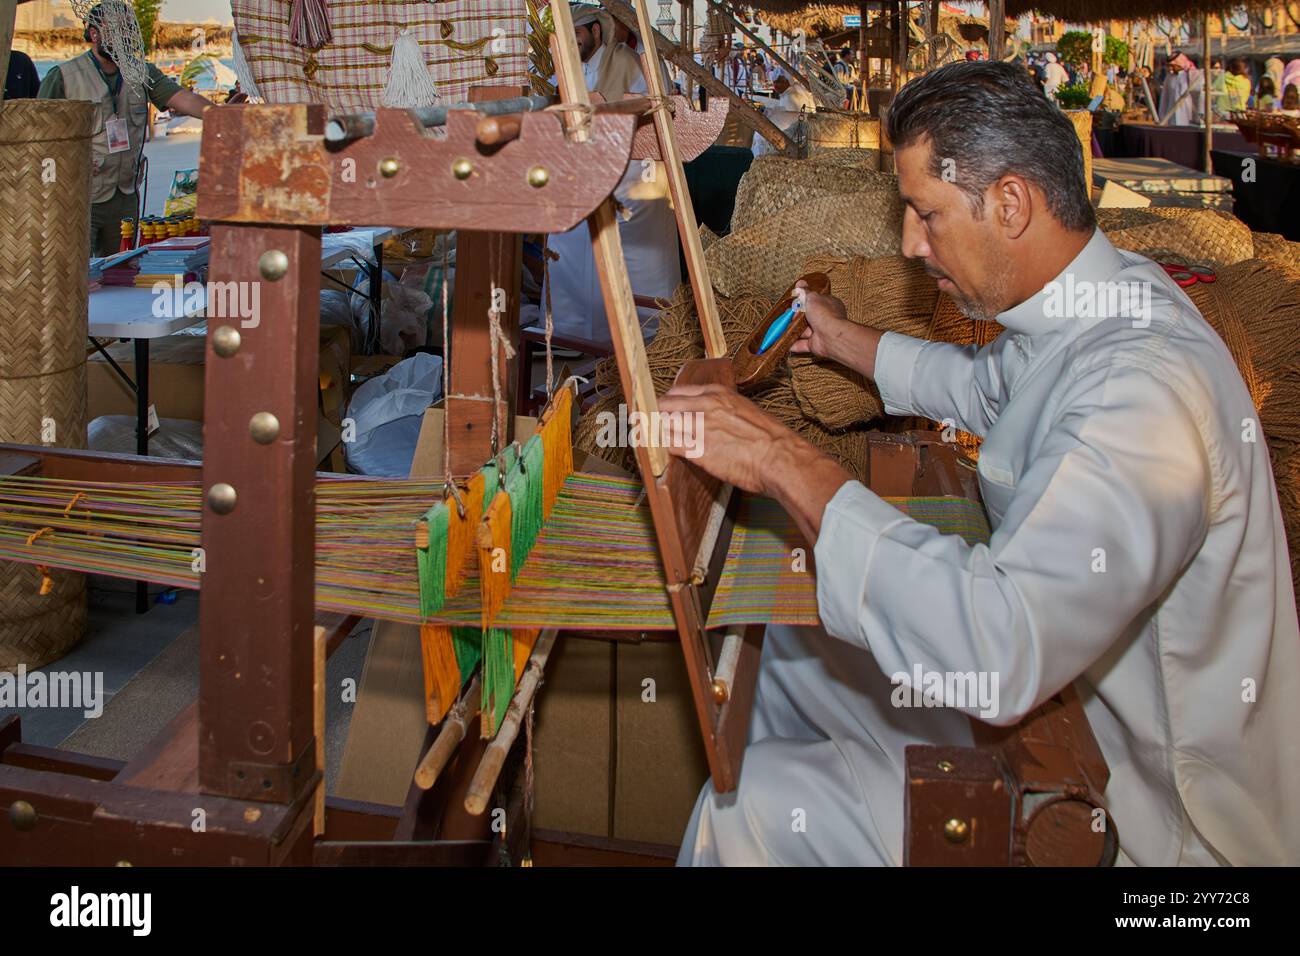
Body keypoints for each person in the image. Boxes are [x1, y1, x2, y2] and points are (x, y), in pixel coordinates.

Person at [665, 60, 1300, 867]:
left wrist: (779, 457)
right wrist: (836, 334)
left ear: (1009, 203)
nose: (908, 241)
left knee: (752, 806)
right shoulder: (1101, 298)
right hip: (1070, 713)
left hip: (1150, 826)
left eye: (925, 214)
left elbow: (999, 647)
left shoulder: (1142, 395)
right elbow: (982, 387)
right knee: (789, 646)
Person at [534, 3, 678, 345]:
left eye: (578, 34)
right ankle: (571, 333)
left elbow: (654, 111)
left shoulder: (627, 62)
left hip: (632, 172)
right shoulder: (571, 69)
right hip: (588, 171)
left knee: (635, 254)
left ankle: (643, 337)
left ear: (596, 31)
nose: (574, 41)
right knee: (565, 238)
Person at [38, 1, 212, 256]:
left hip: (125, 196)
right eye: (116, 29)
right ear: (94, 33)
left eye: (129, 29)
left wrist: (220, 115)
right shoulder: (63, 76)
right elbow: (39, 135)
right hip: (79, 196)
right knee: (75, 272)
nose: (124, 36)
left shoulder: (141, 71)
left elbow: (182, 99)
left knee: (119, 272)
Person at [752, 72, 816, 158]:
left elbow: (793, 122)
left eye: (778, 82)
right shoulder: (791, 93)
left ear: (786, 82)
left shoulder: (790, 97)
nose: (775, 85)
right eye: (774, 82)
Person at [1158, 52, 1202, 126]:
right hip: (1171, 115)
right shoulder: (1169, 78)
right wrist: (1162, 117)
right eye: (1169, 66)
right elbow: (1164, 98)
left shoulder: (1191, 75)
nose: (1170, 68)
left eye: (1173, 66)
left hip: (1188, 115)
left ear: (1180, 64)